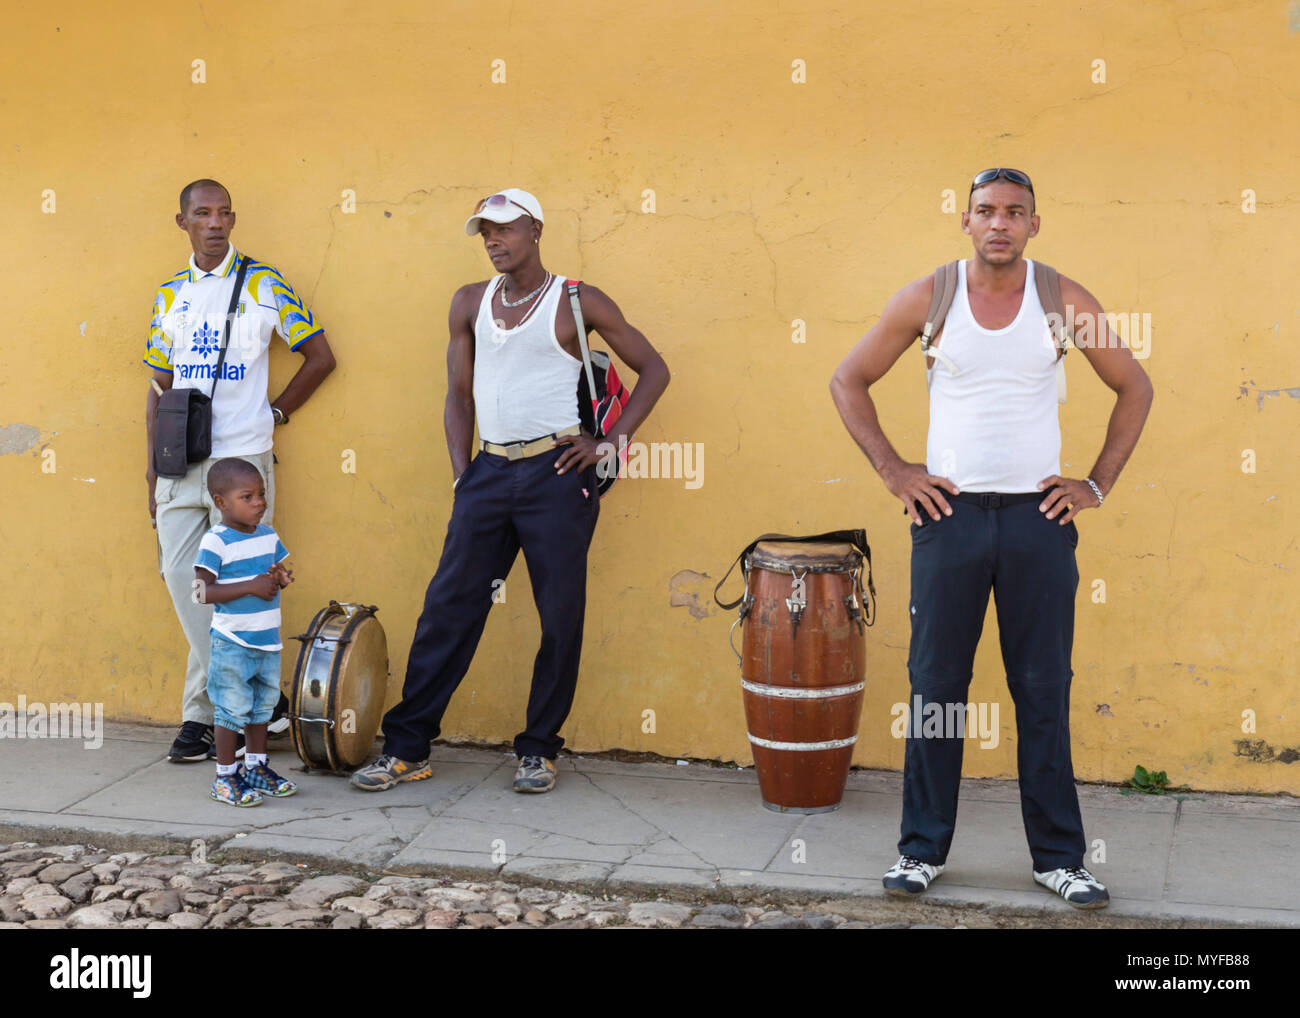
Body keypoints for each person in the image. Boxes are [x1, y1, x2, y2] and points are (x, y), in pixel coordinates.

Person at [830, 168, 1153, 908]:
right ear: (964, 221)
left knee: (1043, 688)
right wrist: (895, 469)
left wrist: (1095, 485)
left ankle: (1059, 859)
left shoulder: (1064, 299)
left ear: (1035, 224)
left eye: (1015, 212)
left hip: (1041, 521)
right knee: (936, 687)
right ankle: (919, 851)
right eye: (986, 211)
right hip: (949, 518)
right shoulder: (929, 297)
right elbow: (848, 380)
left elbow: (1135, 385)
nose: (999, 223)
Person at [352, 188, 670, 794]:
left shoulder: (577, 301)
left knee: (559, 615)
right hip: (488, 474)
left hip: (557, 472)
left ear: (536, 230)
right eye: (484, 232)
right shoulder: (469, 303)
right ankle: (407, 747)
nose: (493, 241)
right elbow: (458, 394)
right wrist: (461, 472)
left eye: (504, 229)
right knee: (449, 607)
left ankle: (538, 748)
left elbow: (655, 369)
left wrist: (609, 443)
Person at [145, 178, 336, 762]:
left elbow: (321, 355)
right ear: (182, 223)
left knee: (241, 595)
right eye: (202, 213)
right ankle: (260, 701)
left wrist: (275, 412)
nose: (215, 222)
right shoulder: (170, 292)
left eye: (224, 212)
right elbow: (158, 386)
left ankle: (202, 719)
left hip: (242, 460)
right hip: (181, 462)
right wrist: (151, 475)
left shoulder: (263, 282)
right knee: (188, 583)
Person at [194, 458, 298, 805]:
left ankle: (255, 767)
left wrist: (281, 577)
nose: (259, 503)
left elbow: (275, 568)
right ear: (221, 502)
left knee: (261, 709)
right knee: (231, 709)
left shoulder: (268, 535)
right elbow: (200, 592)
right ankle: (225, 776)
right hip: (233, 642)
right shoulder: (216, 541)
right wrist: (250, 587)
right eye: (247, 496)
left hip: (267, 641)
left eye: (261, 495)